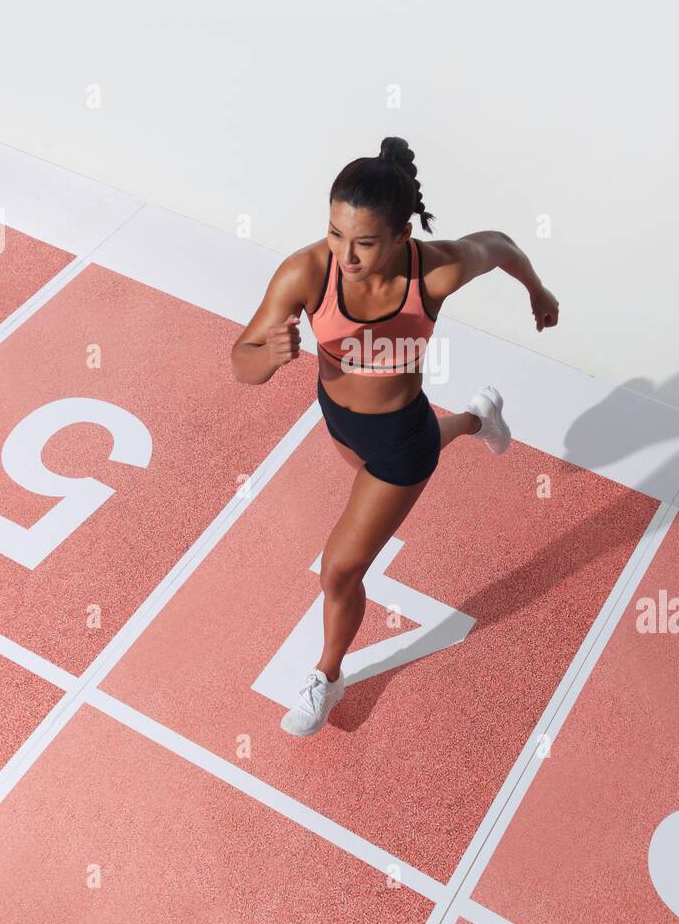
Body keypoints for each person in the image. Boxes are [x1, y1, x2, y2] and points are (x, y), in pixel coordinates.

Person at [231, 137, 560, 736]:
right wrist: (268, 357)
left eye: (364, 241)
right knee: (425, 445)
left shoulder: (435, 270)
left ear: (402, 235)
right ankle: (477, 419)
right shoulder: (306, 271)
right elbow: (240, 361)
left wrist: (537, 290)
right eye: (335, 233)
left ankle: (326, 677)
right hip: (337, 418)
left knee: (338, 571)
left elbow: (502, 246)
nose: (345, 255)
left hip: (399, 444)